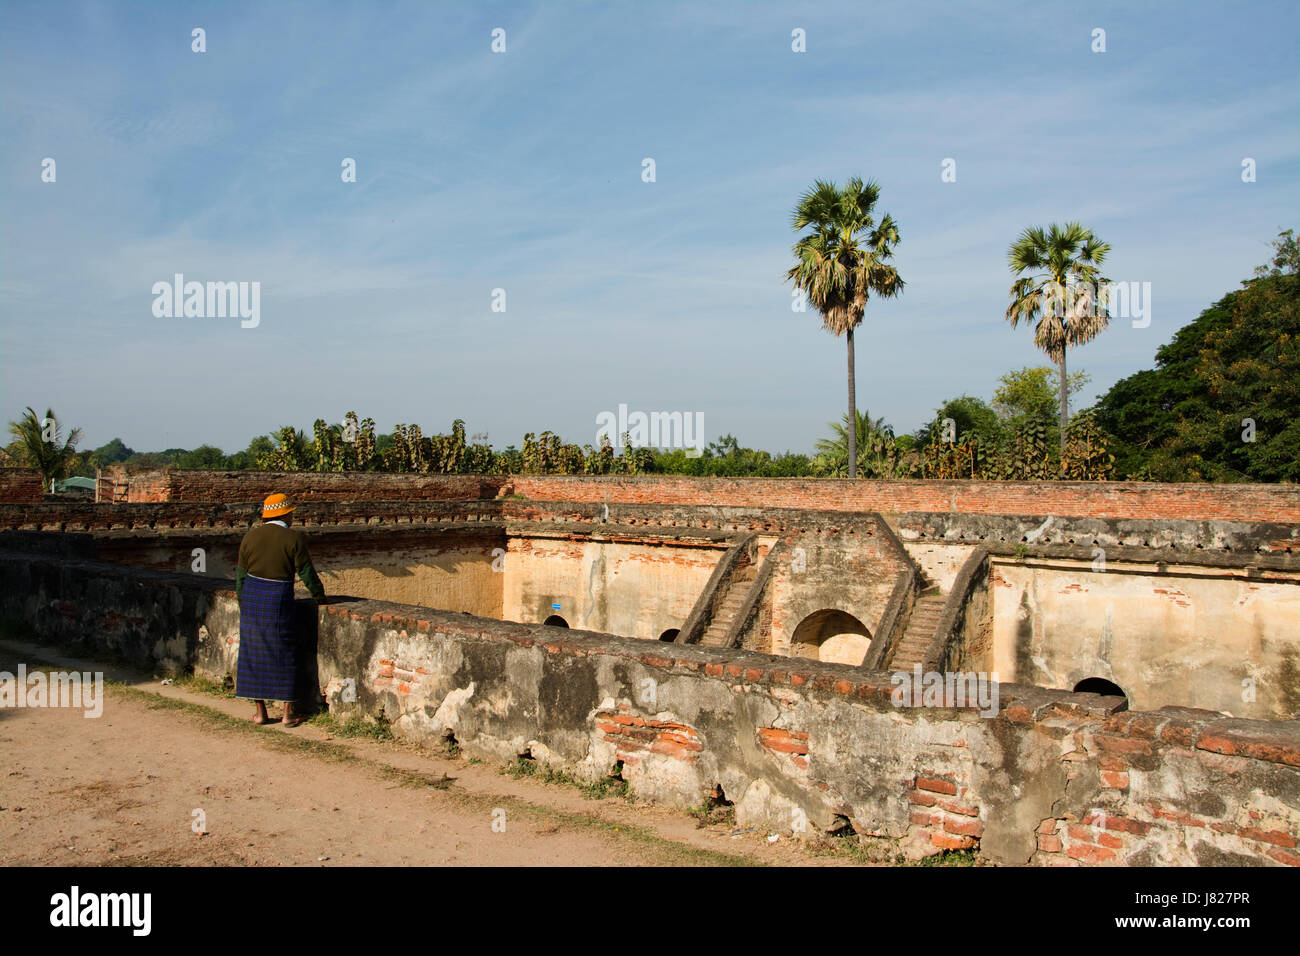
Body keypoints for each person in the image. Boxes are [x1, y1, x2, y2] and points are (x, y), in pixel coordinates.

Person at [235, 493, 328, 727]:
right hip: (278, 600)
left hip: (252, 598)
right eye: (291, 512)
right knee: (285, 651)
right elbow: (307, 573)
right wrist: (319, 596)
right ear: (285, 514)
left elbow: (240, 577)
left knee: (252, 654)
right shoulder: (292, 538)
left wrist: (243, 602)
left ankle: (260, 713)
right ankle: (288, 713)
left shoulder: (249, 537)